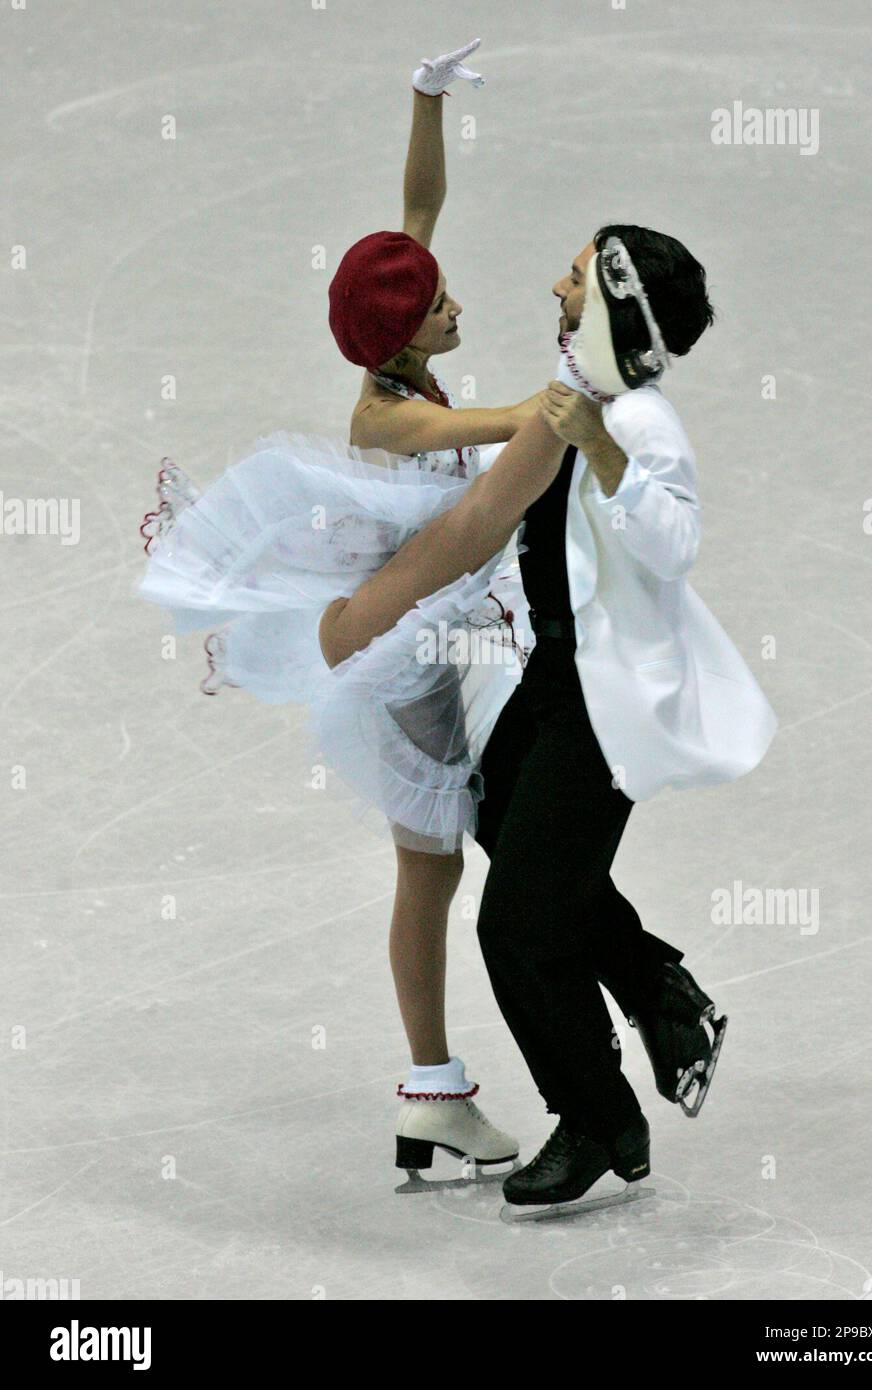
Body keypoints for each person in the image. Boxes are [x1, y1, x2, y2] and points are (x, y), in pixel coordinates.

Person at [137, 40, 567, 1175]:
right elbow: (514, 420)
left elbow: (417, 203)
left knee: (435, 867)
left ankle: (432, 1083)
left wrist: (422, 96)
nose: (454, 302)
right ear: (406, 334)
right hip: (398, 673)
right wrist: (594, 371)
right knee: (429, 869)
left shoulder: (396, 350)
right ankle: (430, 1085)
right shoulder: (389, 420)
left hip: (413, 638)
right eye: (439, 306)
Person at [468, 227, 779, 1210]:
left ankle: (600, 1119)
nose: (549, 283)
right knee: (492, 817)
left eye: (570, 273)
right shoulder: (589, 400)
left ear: (607, 305)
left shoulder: (639, 424)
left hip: (603, 708)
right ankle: (654, 990)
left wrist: (601, 451)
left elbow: (672, 543)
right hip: (553, 678)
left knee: (515, 921)